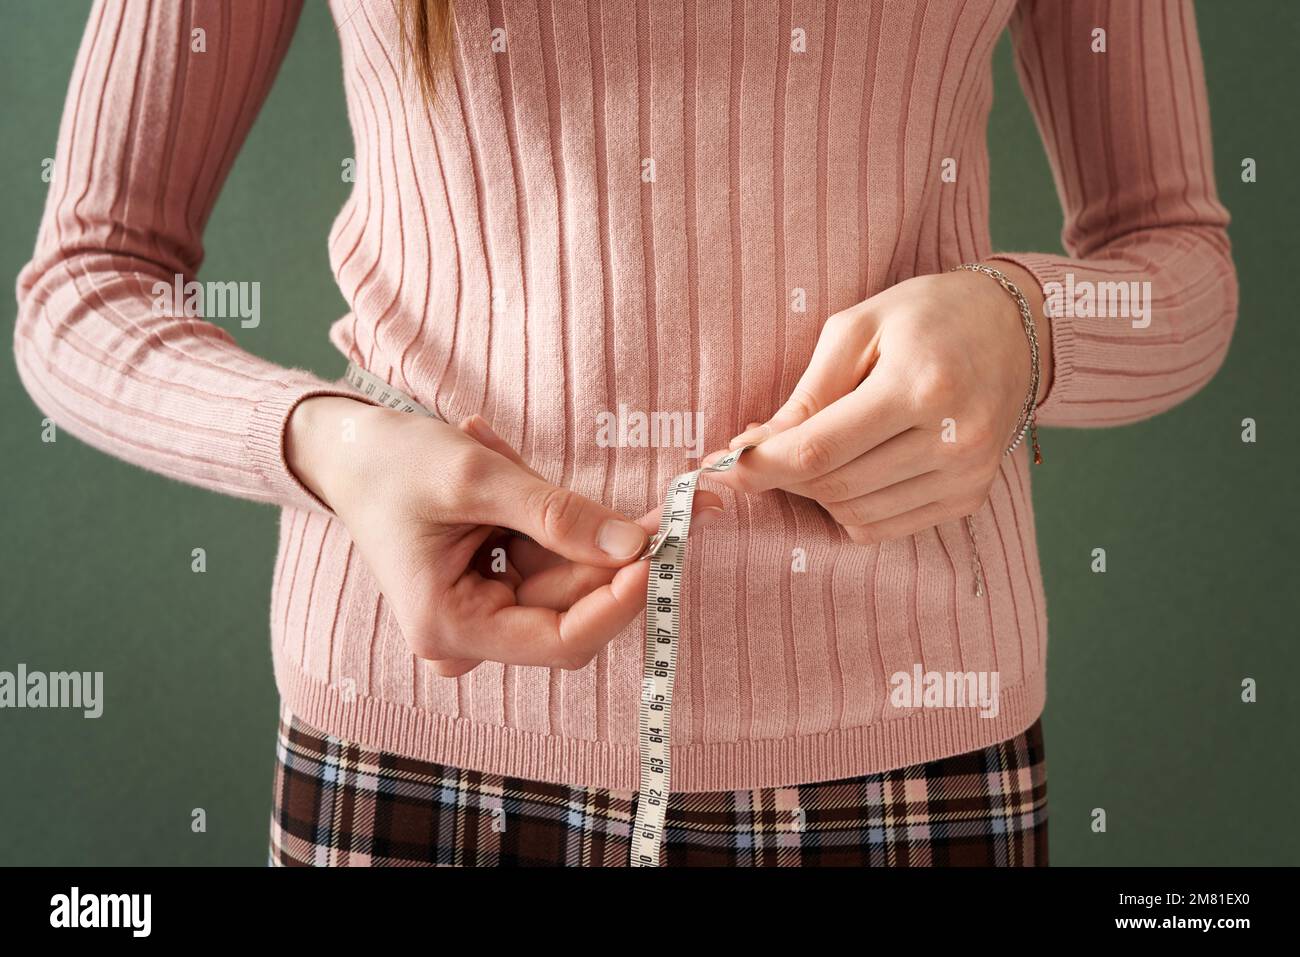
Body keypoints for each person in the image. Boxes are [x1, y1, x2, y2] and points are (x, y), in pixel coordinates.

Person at [15, 0, 1236, 866]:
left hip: (913, 761)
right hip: (410, 749)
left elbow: (1175, 258)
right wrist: (330, 447)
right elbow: (86, 280)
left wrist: (1027, 330)